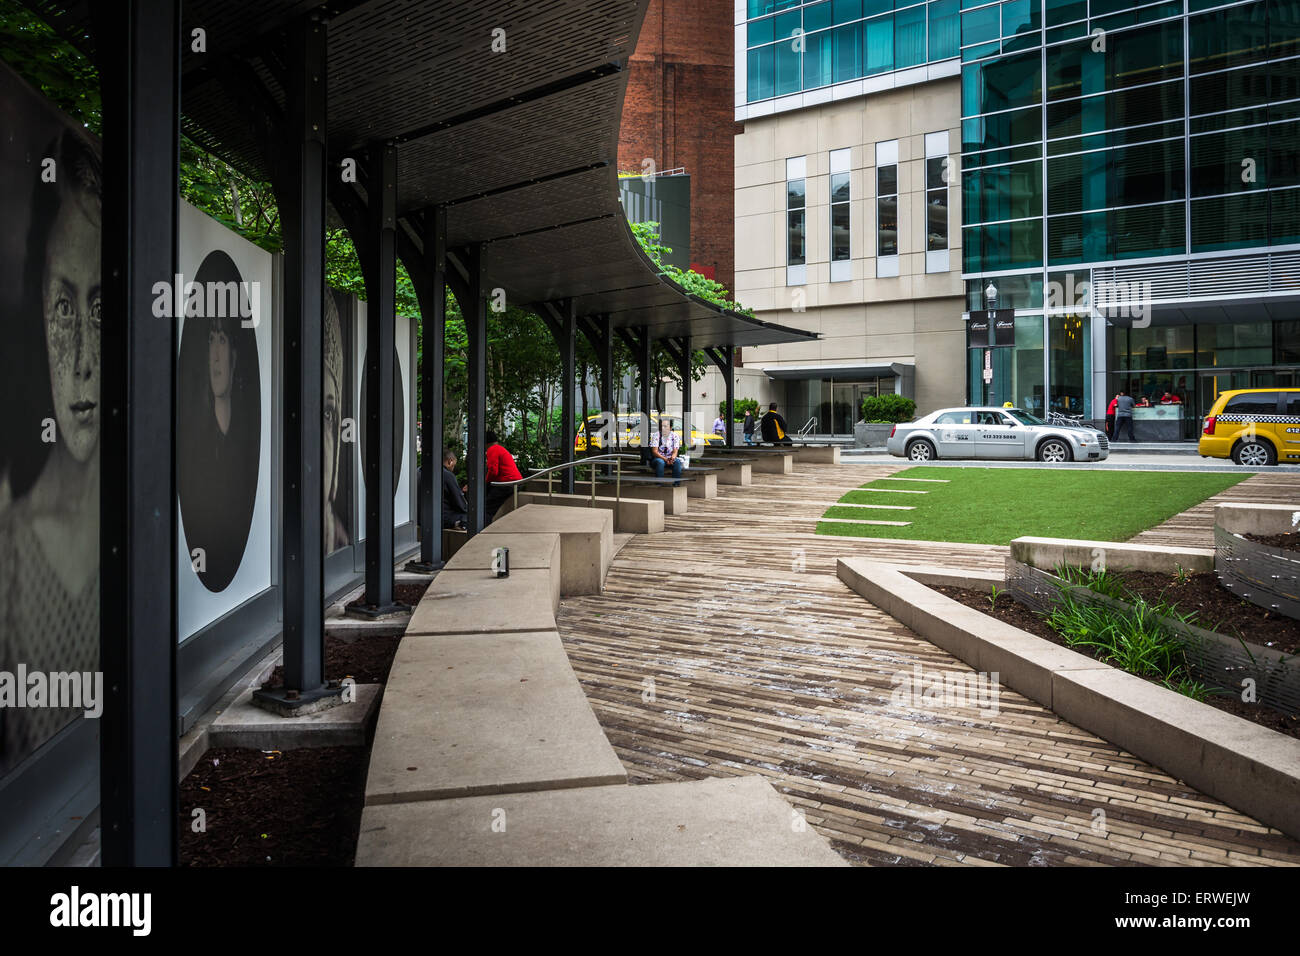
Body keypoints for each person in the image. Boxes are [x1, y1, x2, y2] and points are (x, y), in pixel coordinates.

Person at [0, 129, 101, 775]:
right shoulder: (9, 550)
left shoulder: (146, 516)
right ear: (37, 313)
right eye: (64, 308)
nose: (85, 362)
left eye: (101, 308)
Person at [484, 430, 522, 524]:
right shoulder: (499, 448)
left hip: (507, 484)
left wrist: (485, 482)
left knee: (487, 507)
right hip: (512, 482)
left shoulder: (492, 449)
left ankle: (481, 528)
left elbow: (493, 471)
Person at [651, 417, 684, 486]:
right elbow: (655, 452)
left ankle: (676, 484)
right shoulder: (656, 435)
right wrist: (665, 459)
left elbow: (675, 451)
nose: (663, 428)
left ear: (671, 427)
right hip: (658, 458)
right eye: (662, 426)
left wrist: (672, 458)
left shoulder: (675, 436)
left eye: (665, 426)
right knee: (660, 462)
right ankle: (659, 484)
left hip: (669, 459)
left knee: (677, 462)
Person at [441, 448, 467, 529]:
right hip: (444, 519)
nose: (453, 469)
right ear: (450, 461)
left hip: (420, 517)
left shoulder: (419, 471)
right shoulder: (447, 475)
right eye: (454, 465)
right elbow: (461, 505)